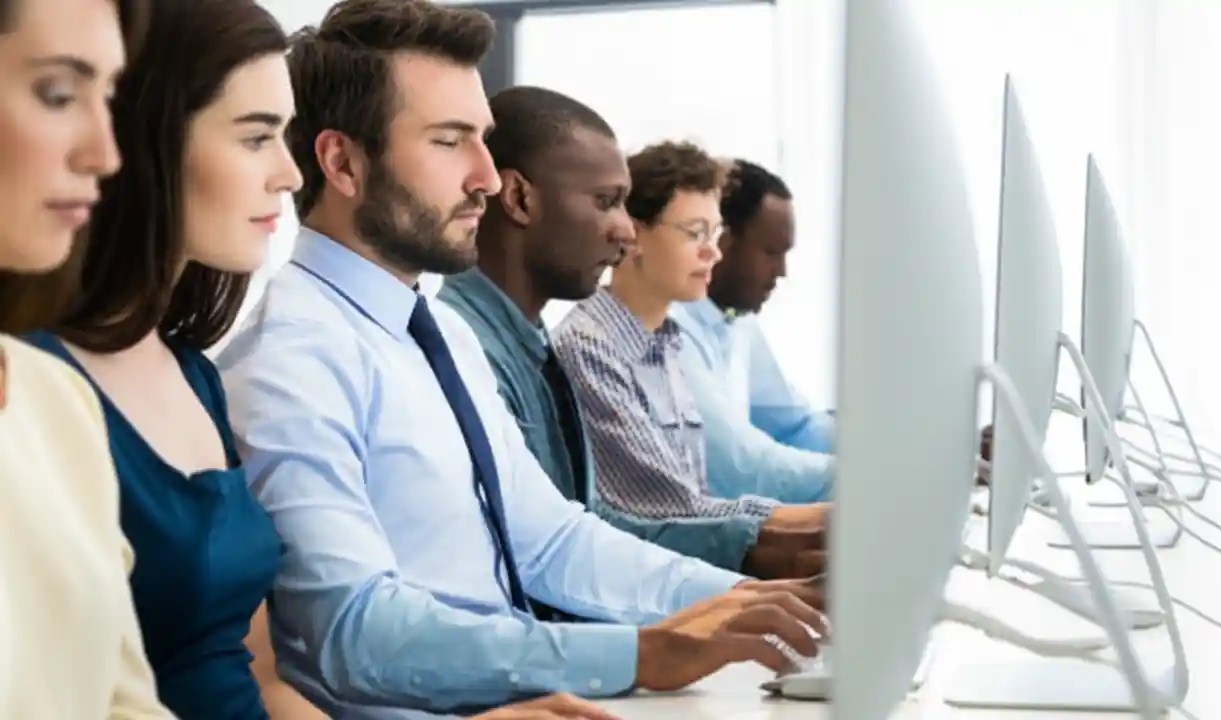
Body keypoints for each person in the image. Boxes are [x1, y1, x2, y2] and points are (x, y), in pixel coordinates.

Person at [217, 2, 825, 717]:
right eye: (450, 142)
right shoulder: (289, 359)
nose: (485, 176)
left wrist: (737, 602)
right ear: (342, 162)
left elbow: (549, 541)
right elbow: (354, 631)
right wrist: (642, 652)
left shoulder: (438, 334)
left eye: (484, 140)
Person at [14, 1, 326, 717]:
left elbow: (258, 677)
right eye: (256, 138)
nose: (289, 173)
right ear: (149, 141)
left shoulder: (195, 375)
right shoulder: (39, 386)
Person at [439, 86, 823, 580]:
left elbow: (585, 528)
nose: (624, 232)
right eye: (606, 202)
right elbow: (557, 556)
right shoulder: (479, 350)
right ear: (517, 198)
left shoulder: (535, 348)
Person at [0, 0, 171, 716]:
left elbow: (127, 706)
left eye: (107, 97)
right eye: (59, 94)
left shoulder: (56, 401)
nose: (106, 153)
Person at [552, 142, 830, 533]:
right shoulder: (589, 347)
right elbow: (673, 514)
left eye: (714, 235)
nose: (712, 254)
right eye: (695, 233)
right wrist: (828, 514)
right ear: (633, 235)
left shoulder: (667, 343)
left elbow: (694, 505)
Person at [668, 159, 835, 504]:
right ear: (722, 242)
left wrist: (898, 447)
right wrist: (874, 475)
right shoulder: (667, 330)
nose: (782, 272)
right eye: (771, 253)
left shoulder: (736, 318)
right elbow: (745, 470)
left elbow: (795, 425)